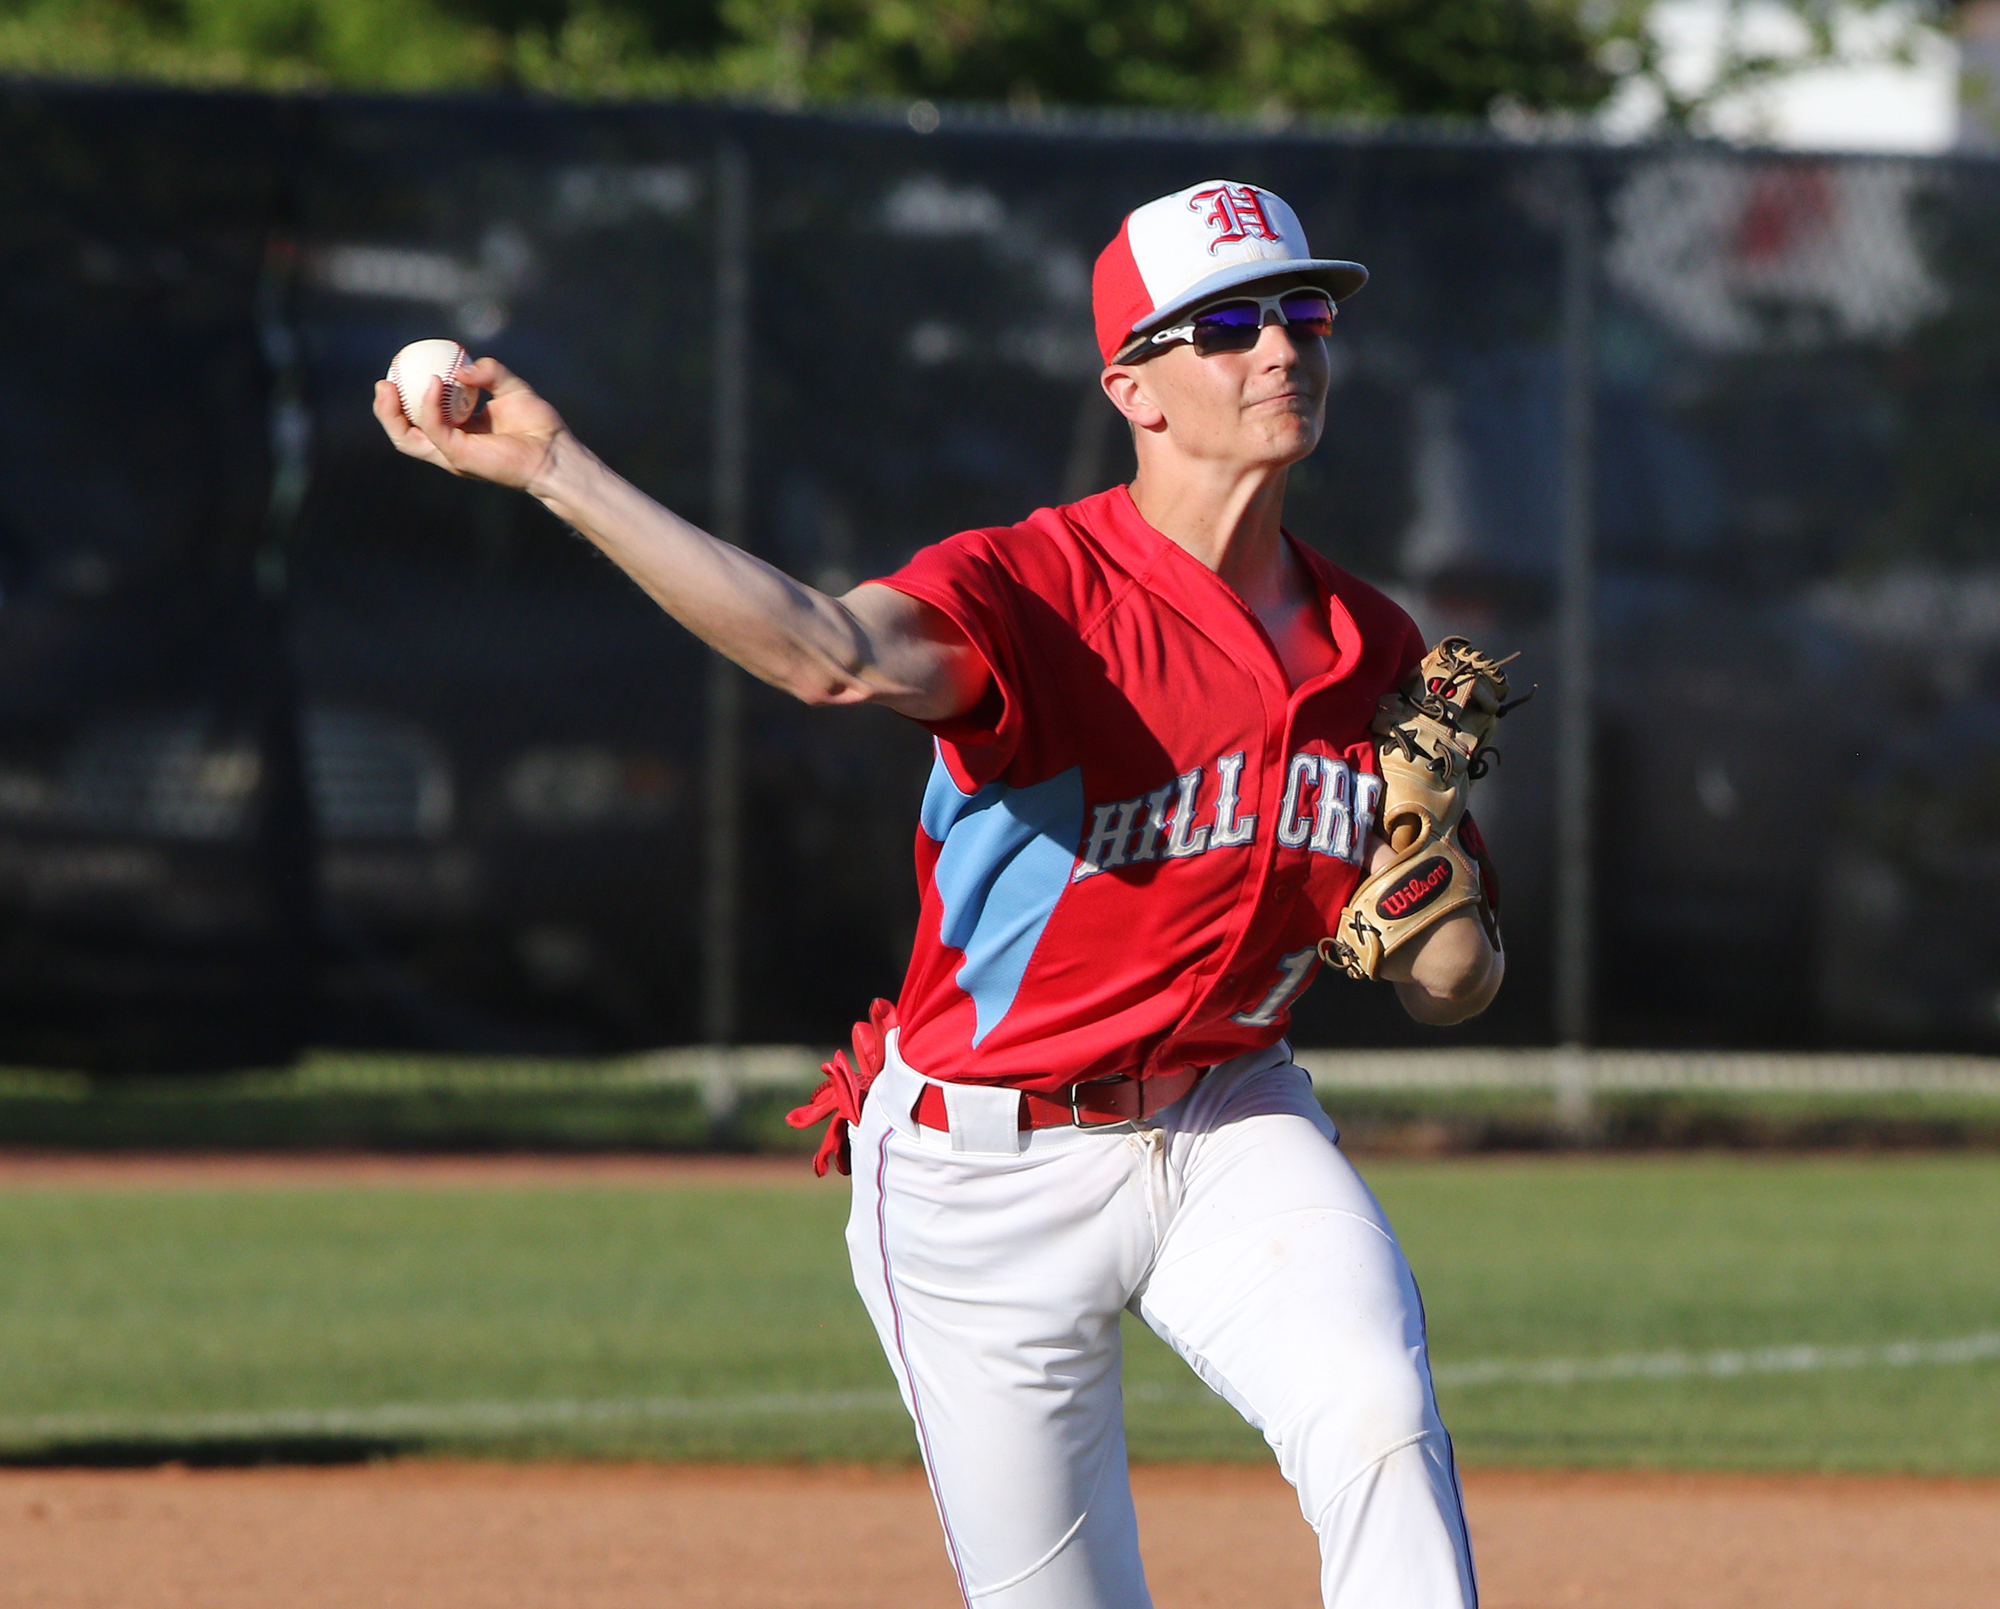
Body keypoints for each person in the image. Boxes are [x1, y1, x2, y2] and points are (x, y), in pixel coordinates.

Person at [376, 177, 1497, 1609]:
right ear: (1133, 389)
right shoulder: (1031, 591)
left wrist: (1436, 907)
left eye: (1303, 312)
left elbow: (1453, 982)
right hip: (987, 1163)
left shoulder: (1371, 643)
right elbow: (827, 654)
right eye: (1226, 326)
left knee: (1379, 1417)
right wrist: (554, 468)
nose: (1281, 347)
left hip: (1231, 1115)